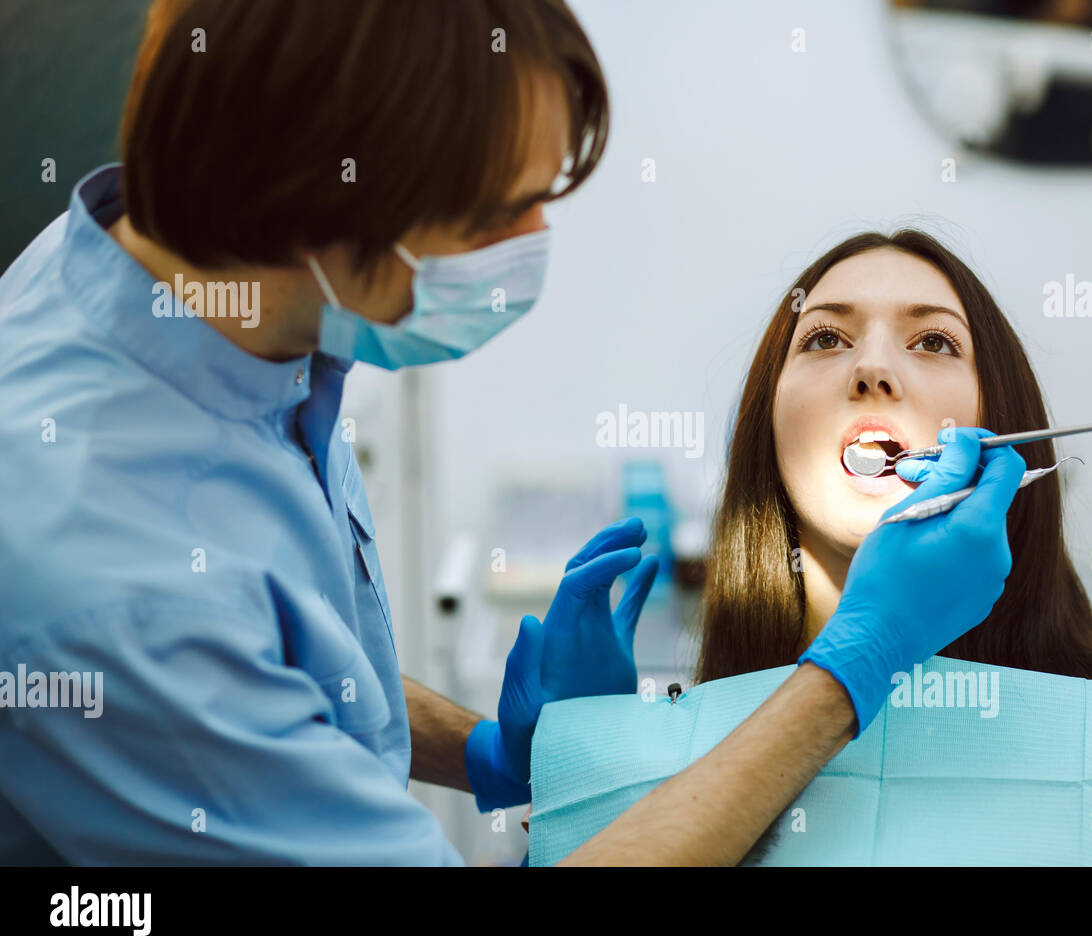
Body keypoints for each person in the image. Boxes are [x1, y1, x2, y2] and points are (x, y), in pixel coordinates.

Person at [0, 0, 1027, 866]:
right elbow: (205, 650)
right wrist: (858, 661)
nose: (535, 245)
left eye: (933, 341)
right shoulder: (114, 583)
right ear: (318, 212)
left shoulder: (204, 283)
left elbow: (271, 662)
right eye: (500, 213)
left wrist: (497, 753)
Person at [693, 229, 1092, 865]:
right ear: (765, 427)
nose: (871, 369)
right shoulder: (665, 755)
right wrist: (577, 751)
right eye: (825, 338)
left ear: (1000, 416)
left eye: (933, 341)